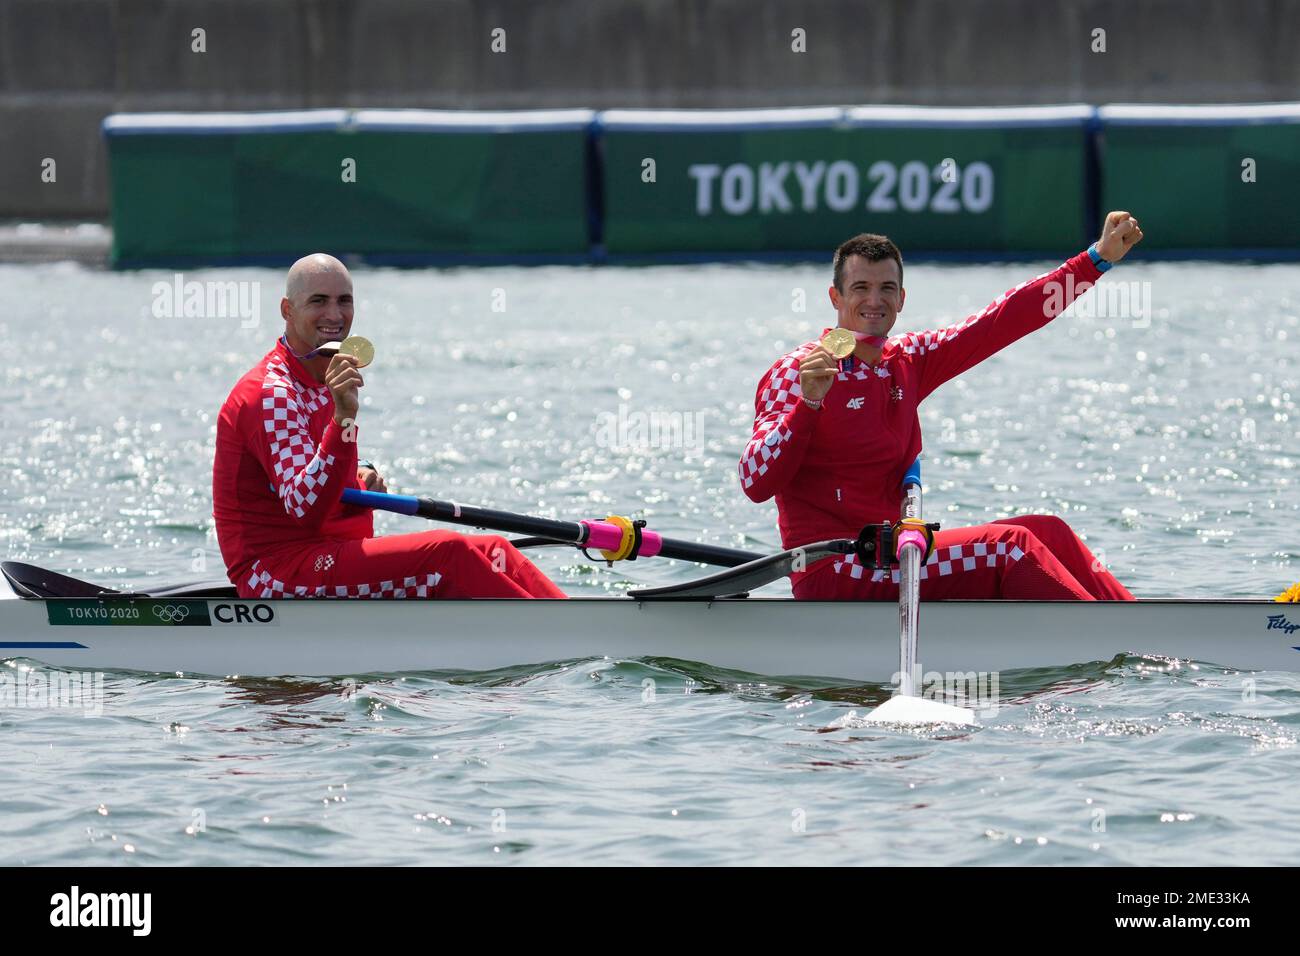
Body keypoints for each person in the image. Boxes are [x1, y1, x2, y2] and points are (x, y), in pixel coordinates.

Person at [739, 212, 1145, 601]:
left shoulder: (908, 359)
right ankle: (1118, 646)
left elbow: (1003, 320)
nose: (874, 301)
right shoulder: (798, 370)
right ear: (836, 296)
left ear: (902, 299)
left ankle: (1141, 625)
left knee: (1049, 532)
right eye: (861, 287)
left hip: (893, 556)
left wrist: (1094, 261)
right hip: (836, 569)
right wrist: (809, 403)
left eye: (887, 289)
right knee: (1010, 547)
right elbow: (754, 482)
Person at [213, 253, 566, 599]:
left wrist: (360, 470)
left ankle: (568, 619)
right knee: (449, 551)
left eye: (344, 301)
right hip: (276, 572)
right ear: (287, 310)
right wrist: (344, 418)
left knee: (493, 548)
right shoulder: (271, 394)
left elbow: (317, 462)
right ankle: (564, 638)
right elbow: (305, 507)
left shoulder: (321, 376)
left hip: (332, 551)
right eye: (318, 301)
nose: (334, 315)